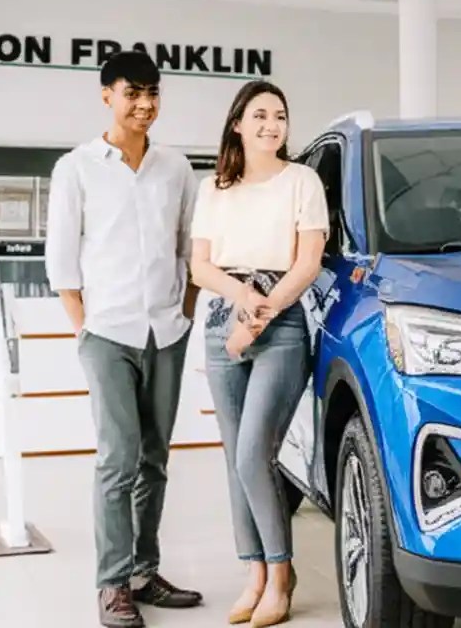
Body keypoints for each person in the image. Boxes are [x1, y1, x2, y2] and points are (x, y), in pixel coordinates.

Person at [45, 50, 203, 628]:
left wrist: (184, 314)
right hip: (108, 334)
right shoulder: (77, 168)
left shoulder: (175, 167)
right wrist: (84, 327)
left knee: (154, 459)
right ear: (106, 95)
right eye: (133, 92)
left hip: (166, 331)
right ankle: (112, 584)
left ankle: (143, 572)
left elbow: (190, 249)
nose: (145, 104)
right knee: (118, 460)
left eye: (153, 92)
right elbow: (62, 261)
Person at [189, 80, 328, 627]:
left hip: (282, 322)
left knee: (254, 454)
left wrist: (260, 312)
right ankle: (255, 574)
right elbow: (200, 267)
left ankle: (281, 574)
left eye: (280, 116)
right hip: (224, 317)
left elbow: (308, 262)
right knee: (234, 458)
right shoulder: (214, 188)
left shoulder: (302, 181)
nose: (272, 125)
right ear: (238, 124)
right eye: (261, 115)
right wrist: (240, 298)